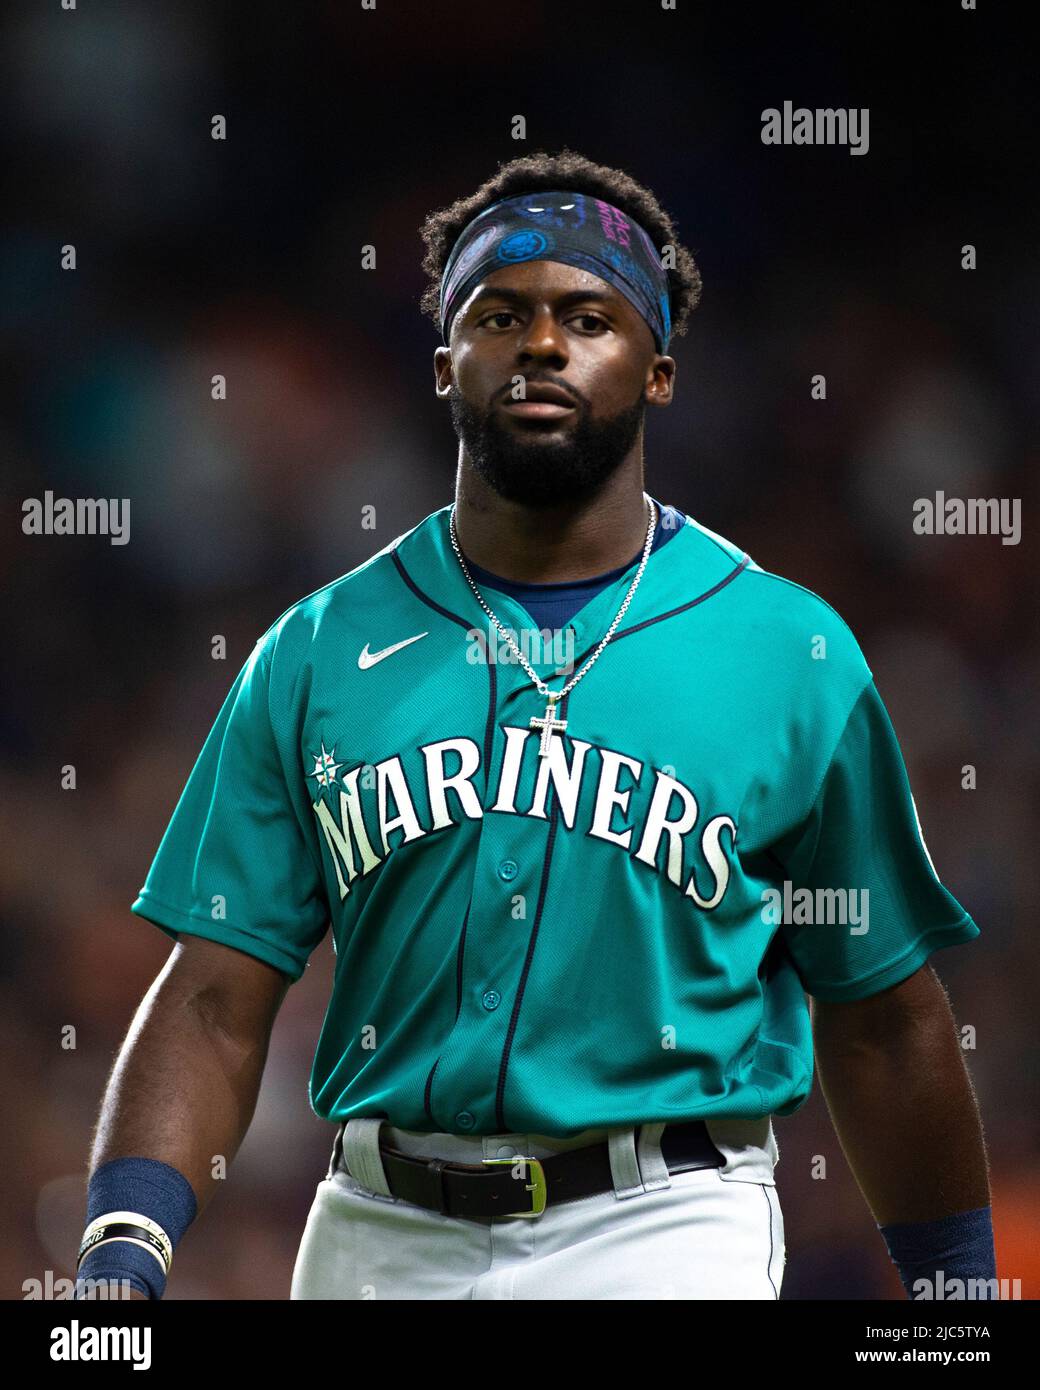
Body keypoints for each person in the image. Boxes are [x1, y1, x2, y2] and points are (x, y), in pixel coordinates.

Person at [77, 149, 994, 1301]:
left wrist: (957, 1294)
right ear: (444, 362)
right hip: (376, 1226)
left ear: (657, 371)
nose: (542, 344)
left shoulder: (784, 651)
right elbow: (212, 998)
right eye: (499, 315)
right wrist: (122, 1249)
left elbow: (884, 1019)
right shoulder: (317, 646)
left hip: (661, 1226)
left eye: (587, 317)